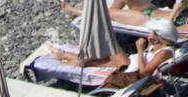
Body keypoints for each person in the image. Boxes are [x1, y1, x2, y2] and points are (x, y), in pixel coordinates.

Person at [48, 17, 178, 77]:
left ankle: (67, 59)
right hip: (130, 63)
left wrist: (139, 50)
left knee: (107, 43)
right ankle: (65, 56)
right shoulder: (160, 46)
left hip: (129, 69)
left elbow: (144, 72)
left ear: (161, 36)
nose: (150, 35)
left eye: (153, 33)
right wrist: (150, 45)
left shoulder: (165, 52)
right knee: (95, 62)